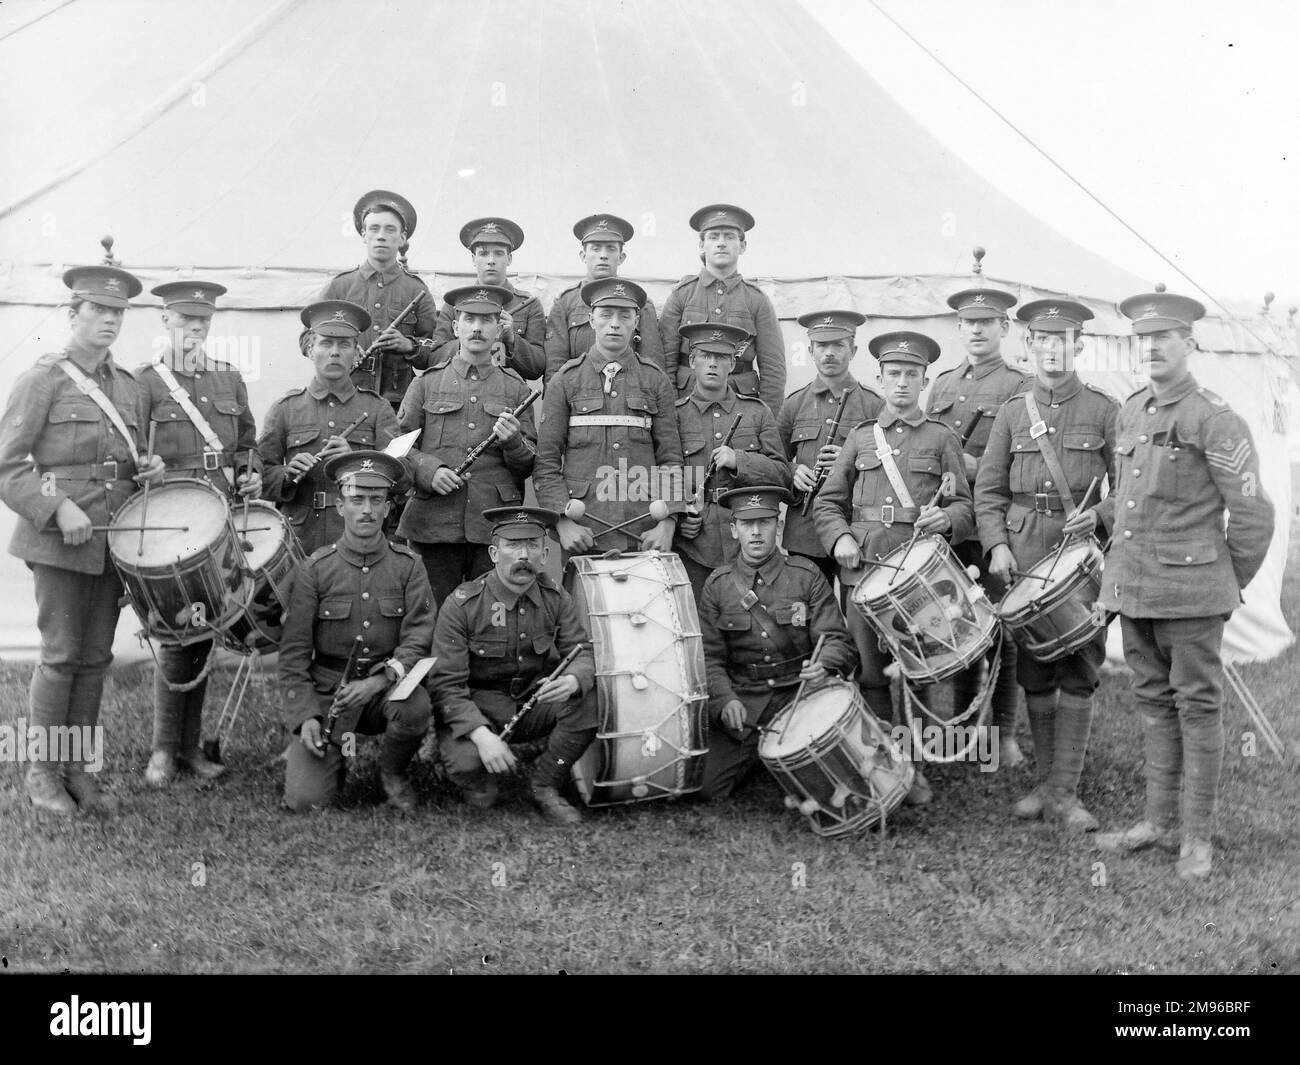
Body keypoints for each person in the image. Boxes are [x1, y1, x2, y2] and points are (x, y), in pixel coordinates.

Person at [1094, 291, 1274, 879]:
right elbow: (1130, 496)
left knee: (1197, 708)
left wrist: (1223, 584)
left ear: (1188, 343)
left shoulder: (1213, 418)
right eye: (1142, 338)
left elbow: (1251, 513)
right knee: (1152, 704)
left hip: (1191, 596)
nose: (1149, 347)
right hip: (1135, 589)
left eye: (1162, 337)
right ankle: (1157, 822)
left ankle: (1196, 837)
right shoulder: (1131, 410)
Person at [0, 258, 165, 816]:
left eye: (118, 311)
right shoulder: (42, 378)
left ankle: (78, 770)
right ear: (73, 313)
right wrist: (56, 507)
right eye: (98, 309)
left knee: (96, 658)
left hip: (112, 540)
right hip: (58, 540)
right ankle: (42, 774)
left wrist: (149, 470)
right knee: (61, 655)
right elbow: (7, 465)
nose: (110, 320)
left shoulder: (129, 386)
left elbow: (128, 458)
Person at [812, 331, 975, 806]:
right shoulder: (861, 437)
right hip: (863, 573)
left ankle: (918, 766)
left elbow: (965, 506)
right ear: (879, 379)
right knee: (870, 673)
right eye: (894, 374)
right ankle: (890, 765)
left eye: (911, 375)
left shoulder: (942, 438)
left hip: (916, 579)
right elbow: (828, 502)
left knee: (920, 671)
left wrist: (947, 518)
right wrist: (840, 537)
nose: (902, 382)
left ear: (925, 381)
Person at [974, 299, 1118, 829]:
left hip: (1080, 554)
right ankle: (1046, 781)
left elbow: (1129, 488)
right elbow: (987, 489)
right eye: (1042, 340)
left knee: (1080, 664)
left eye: (1063, 340)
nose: (1052, 350)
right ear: (1029, 346)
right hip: (1026, 547)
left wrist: (1101, 515)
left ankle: (1064, 792)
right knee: (1034, 666)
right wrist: (997, 546)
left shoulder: (1105, 410)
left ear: (1078, 345)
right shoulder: (1014, 412)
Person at [137, 281, 263, 786]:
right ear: (165, 322)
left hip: (217, 518)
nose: (194, 330)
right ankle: (164, 751)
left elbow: (247, 443)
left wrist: (250, 471)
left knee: (206, 628)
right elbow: (133, 454)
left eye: (203, 322)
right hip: (171, 519)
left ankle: (189, 749)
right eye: (185, 321)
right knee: (173, 630)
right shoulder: (144, 383)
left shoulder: (229, 380)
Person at [279, 450, 435, 813]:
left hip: (386, 691)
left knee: (415, 706)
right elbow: (293, 657)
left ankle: (391, 772)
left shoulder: (409, 567)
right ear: (340, 506)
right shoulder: (315, 570)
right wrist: (305, 717)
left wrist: (380, 681)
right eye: (357, 499)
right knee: (306, 802)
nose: (366, 510)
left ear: (387, 509)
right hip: (331, 693)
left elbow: (419, 637)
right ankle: (327, 754)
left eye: (376, 500)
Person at [427, 506, 597, 826]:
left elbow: (582, 651)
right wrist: (480, 735)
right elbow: (445, 685)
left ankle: (544, 783)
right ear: (494, 553)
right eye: (513, 546)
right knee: (473, 778)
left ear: (545, 554)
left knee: (590, 700)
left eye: (533, 546)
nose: (524, 555)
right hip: (479, 708)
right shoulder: (462, 604)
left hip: (533, 702)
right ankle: (472, 769)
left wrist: (574, 679)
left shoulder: (555, 597)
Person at [927, 273, 1032, 767]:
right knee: (960, 628)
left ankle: (1004, 733)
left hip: (994, 525)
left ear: (1004, 327)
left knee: (1003, 628)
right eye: (967, 322)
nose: (975, 331)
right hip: (951, 526)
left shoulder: (1020, 386)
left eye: (985, 322)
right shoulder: (943, 384)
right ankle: (969, 729)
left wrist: (975, 468)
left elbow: (1025, 462)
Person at [696, 486, 858, 800]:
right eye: (747, 524)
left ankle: (771, 753)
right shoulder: (717, 586)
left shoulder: (806, 576)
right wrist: (724, 700)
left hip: (800, 696)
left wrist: (824, 664)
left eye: (765, 522)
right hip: (747, 700)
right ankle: (761, 752)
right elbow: (708, 657)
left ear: (779, 526)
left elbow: (838, 639)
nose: (756, 533)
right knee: (708, 789)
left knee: (834, 782)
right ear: (734, 529)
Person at [397, 285, 537, 606]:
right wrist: (428, 471)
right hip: (433, 523)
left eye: (487, 320)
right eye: (469, 319)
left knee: (489, 618)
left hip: (492, 525)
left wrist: (514, 442)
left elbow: (528, 463)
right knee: (432, 616)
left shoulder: (516, 389)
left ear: (498, 328)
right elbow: (398, 449)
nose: (477, 328)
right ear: (455, 326)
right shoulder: (426, 383)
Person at [534, 278, 684, 558]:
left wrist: (668, 522)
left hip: (643, 532)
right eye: (605, 314)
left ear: (636, 321)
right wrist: (562, 522)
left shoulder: (655, 379)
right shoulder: (565, 380)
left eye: (624, 315)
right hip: (584, 532)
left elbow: (670, 459)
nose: (614, 323)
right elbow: (546, 463)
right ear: (591, 320)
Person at [258, 300, 400, 555]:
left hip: (358, 540)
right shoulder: (285, 409)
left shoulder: (378, 409)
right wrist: (287, 474)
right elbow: (260, 477)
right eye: (326, 343)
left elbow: (403, 477)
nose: (335, 352)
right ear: (311, 350)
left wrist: (356, 463)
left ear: (356, 353)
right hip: (299, 540)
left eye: (344, 344)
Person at [673, 322, 790, 601]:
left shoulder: (756, 413)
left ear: (733, 363)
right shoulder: (675, 416)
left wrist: (740, 460)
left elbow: (783, 476)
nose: (712, 364)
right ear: (692, 361)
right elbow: (662, 468)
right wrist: (677, 516)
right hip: (695, 542)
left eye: (722, 357)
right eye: (705, 356)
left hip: (748, 542)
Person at [779, 310, 884, 590]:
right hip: (805, 529)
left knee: (859, 611)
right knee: (807, 614)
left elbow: (890, 467)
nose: (829, 353)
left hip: (857, 527)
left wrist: (851, 460)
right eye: (822, 346)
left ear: (853, 350)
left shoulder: (875, 406)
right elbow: (772, 458)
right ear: (811, 350)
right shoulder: (794, 404)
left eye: (838, 345)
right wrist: (792, 471)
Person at [659, 205, 786, 416]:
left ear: (743, 245)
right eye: (713, 237)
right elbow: (664, 364)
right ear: (701, 245)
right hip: (687, 402)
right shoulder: (681, 295)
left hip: (741, 406)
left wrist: (763, 420)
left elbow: (773, 371)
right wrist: (672, 413)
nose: (721, 243)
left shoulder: (757, 300)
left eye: (729, 237)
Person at [319, 189, 438, 410]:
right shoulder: (340, 286)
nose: (381, 235)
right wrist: (340, 350)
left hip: (397, 403)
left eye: (390, 229)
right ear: (364, 235)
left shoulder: (416, 290)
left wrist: (409, 346)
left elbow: (437, 349)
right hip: (344, 396)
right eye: (374, 228)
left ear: (402, 238)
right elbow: (309, 339)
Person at [543, 214, 665, 384]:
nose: (603, 255)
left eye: (611, 248)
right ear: (583, 255)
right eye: (596, 248)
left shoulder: (640, 304)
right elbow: (555, 368)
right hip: (578, 397)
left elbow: (653, 366)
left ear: (621, 257)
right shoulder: (565, 303)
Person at [423, 217, 546, 381]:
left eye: (499, 253)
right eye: (483, 253)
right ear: (473, 259)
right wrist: (469, 338)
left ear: (509, 259)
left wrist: (511, 339)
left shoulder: (529, 305)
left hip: (507, 397)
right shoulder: (454, 304)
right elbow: (434, 358)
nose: (491, 261)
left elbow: (537, 368)